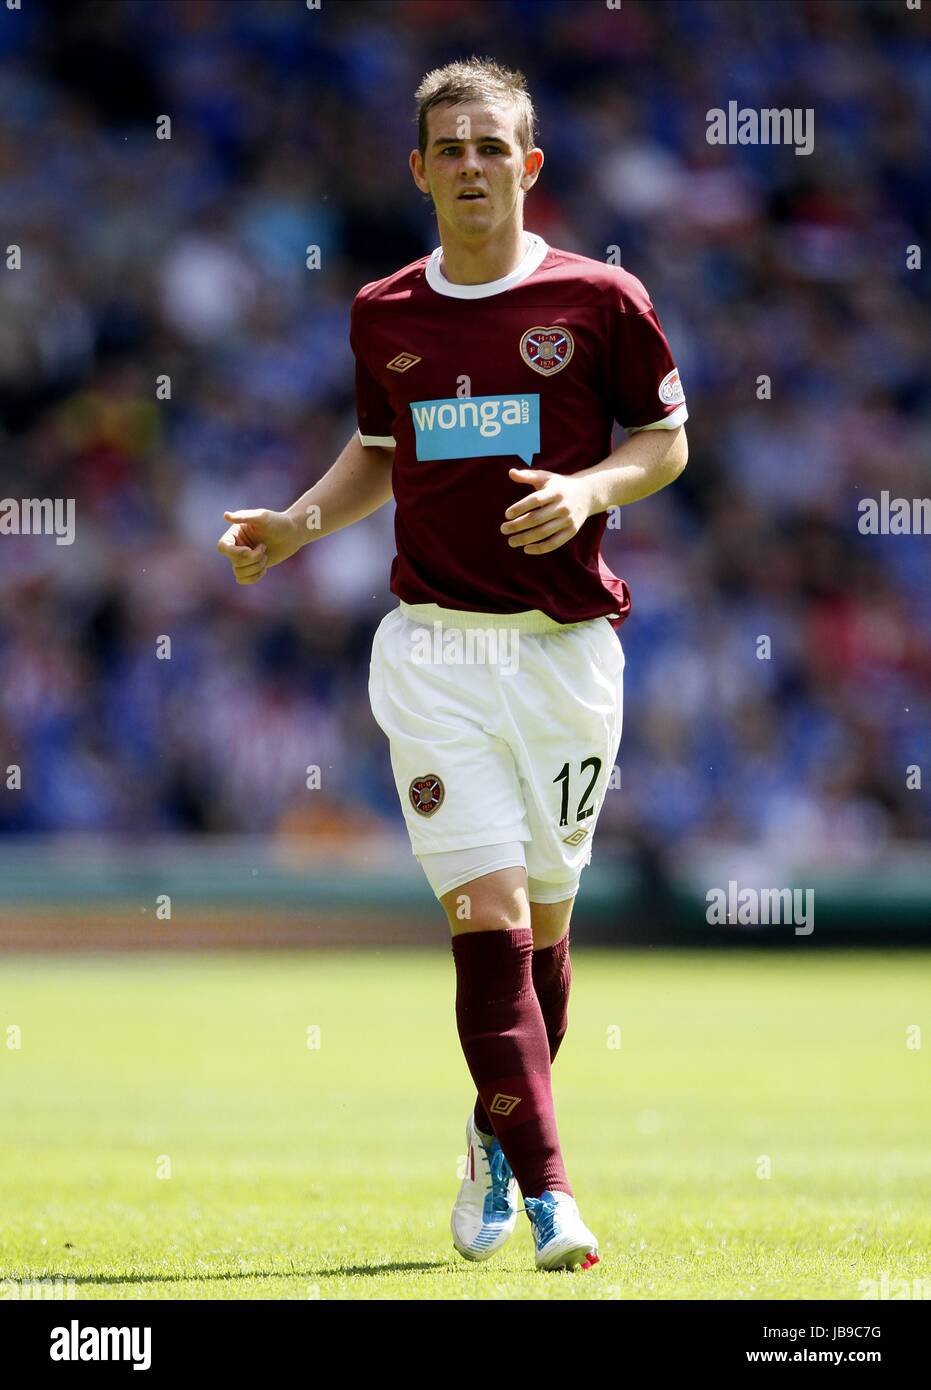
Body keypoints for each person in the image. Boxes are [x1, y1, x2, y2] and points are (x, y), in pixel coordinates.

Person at [217, 58, 688, 1272]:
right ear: (419, 171)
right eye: (451, 148)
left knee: (540, 934)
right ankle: (552, 1193)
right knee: (481, 922)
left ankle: (492, 1133)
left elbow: (666, 440)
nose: (473, 166)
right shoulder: (384, 312)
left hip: (568, 659)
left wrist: (587, 488)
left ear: (527, 166)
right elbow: (378, 450)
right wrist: (294, 524)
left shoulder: (601, 299)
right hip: (432, 654)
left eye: (494, 146)